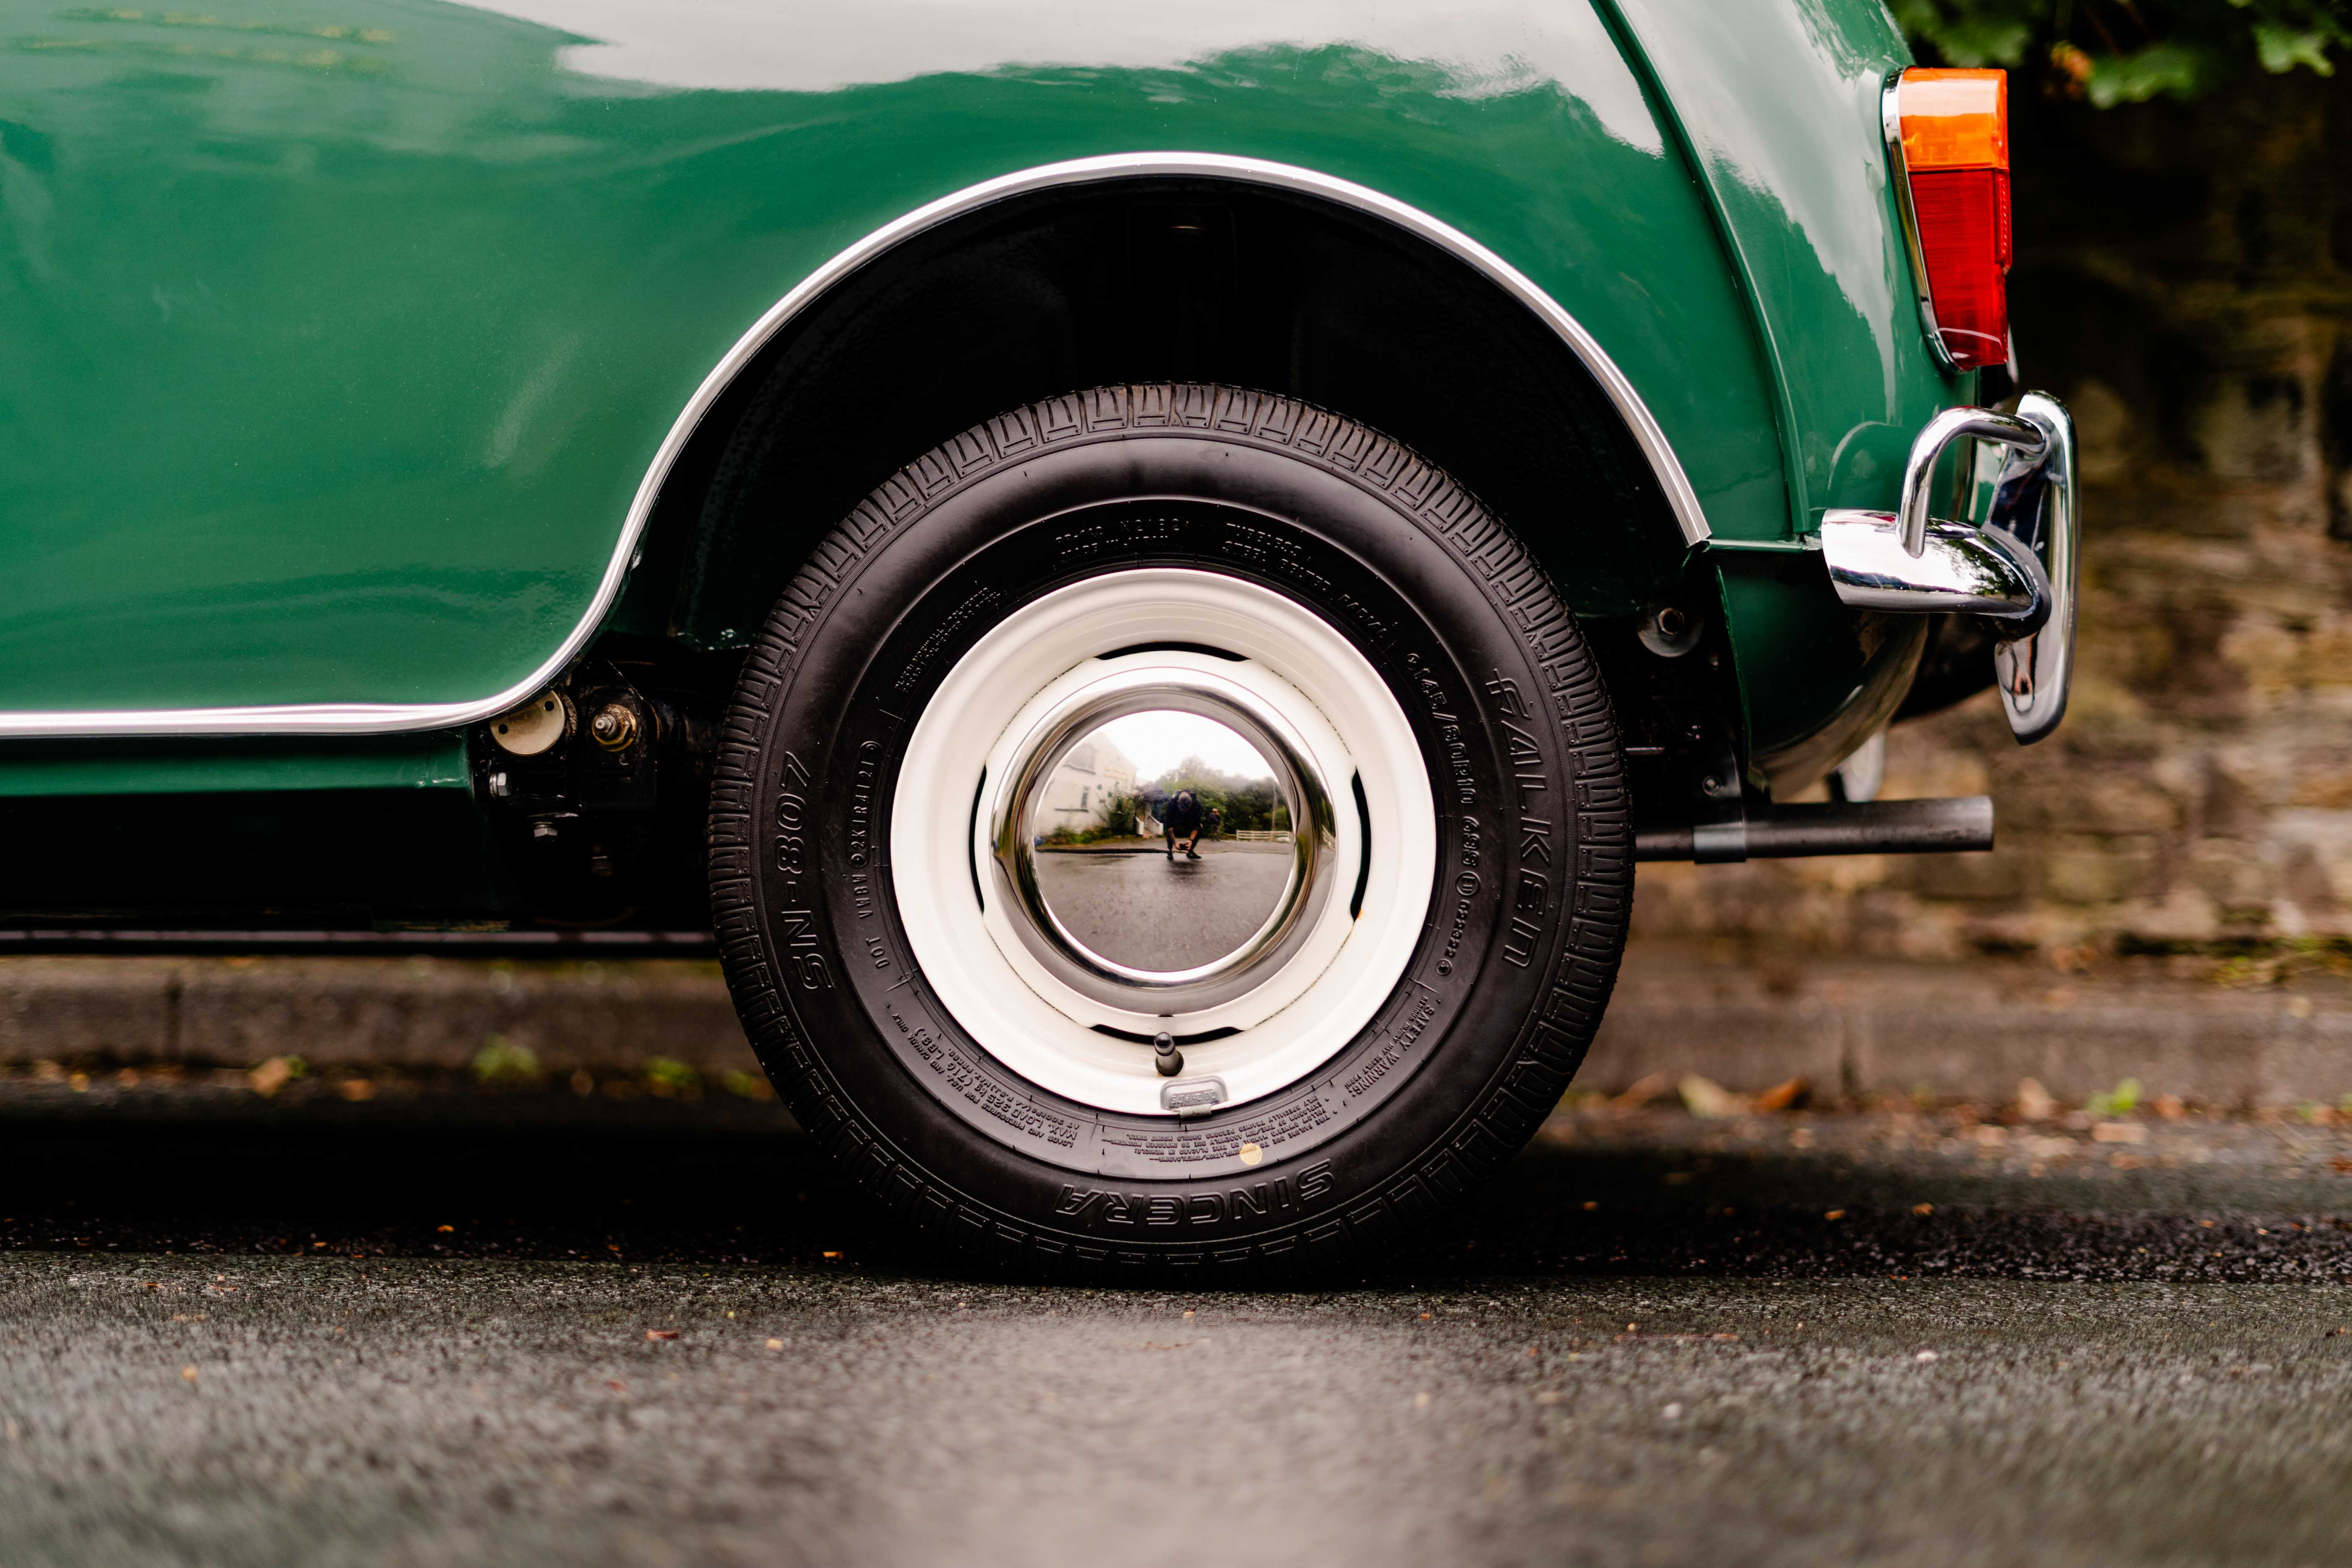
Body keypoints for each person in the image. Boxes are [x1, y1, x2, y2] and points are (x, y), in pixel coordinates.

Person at [1162, 788, 1203, 860]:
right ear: (1178, 802)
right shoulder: (1172, 803)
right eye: (1183, 809)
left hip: (1188, 819)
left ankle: (1190, 851)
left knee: (1200, 826)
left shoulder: (1197, 805)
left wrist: (1191, 840)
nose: (1185, 811)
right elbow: (1169, 826)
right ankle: (1170, 851)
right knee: (1167, 828)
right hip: (1176, 818)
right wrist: (1175, 843)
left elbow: (1196, 825)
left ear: (1191, 803)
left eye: (1187, 809)